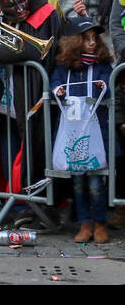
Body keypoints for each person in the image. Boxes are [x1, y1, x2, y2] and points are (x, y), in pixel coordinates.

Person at [50, 16, 113, 244]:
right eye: (87, 39)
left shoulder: (102, 64)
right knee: (78, 182)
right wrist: (57, 90)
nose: (92, 43)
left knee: (96, 182)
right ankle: (84, 224)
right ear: (76, 42)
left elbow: (108, 83)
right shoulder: (64, 66)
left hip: (96, 131)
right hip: (73, 131)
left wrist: (103, 87)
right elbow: (54, 82)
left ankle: (100, 223)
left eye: (95, 38)